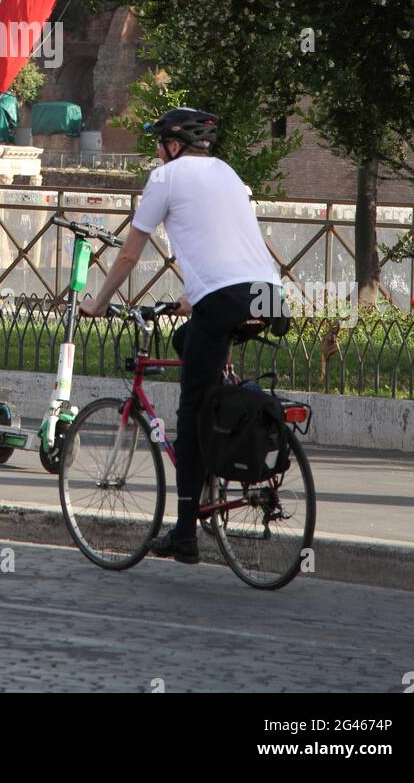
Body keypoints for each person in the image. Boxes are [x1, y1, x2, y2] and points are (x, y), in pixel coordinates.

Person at [79, 107, 284, 566]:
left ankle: (186, 533)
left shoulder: (164, 179)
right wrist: (197, 296)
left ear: (173, 146)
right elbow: (224, 239)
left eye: (158, 144)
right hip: (266, 298)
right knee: (188, 344)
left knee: (190, 413)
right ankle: (225, 428)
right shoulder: (228, 173)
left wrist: (97, 302)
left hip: (224, 299)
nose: (156, 152)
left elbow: (130, 254)